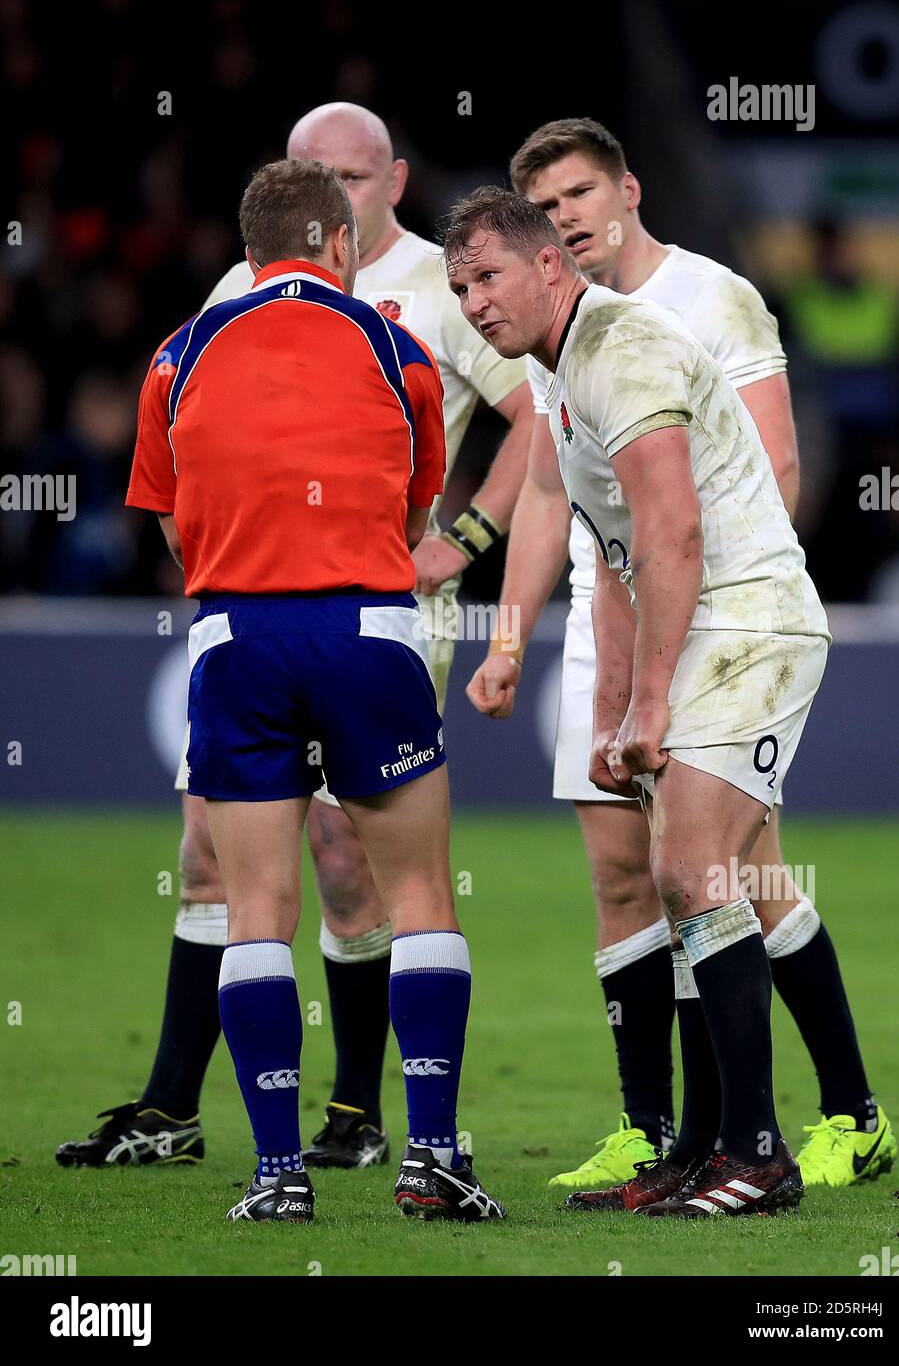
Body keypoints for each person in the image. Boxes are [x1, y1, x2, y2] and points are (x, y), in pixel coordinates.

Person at [56, 104, 531, 1174]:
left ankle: (343, 1120)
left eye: (354, 176)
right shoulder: (312, 316)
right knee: (212, 859)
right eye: (319, 176)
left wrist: (465, 537)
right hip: (313, 615)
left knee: (335, 862)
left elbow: (534, 416)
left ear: (391, 184)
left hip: (331, 612)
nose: (339, 195)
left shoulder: (438, 298)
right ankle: (185, 1106)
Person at [466, 120, 895, 1194]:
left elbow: (675, 533)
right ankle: (703, 1143)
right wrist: (616, 704)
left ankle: (761, 1149)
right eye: (460, 287)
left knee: (711, 870)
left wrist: (651, 696)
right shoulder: (564, 370)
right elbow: (612, 553)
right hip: (682, 617)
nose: (472, 308)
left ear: (553, 263)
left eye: (486, 281)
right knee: (677, 874)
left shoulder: (638, 341)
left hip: (745, 617)